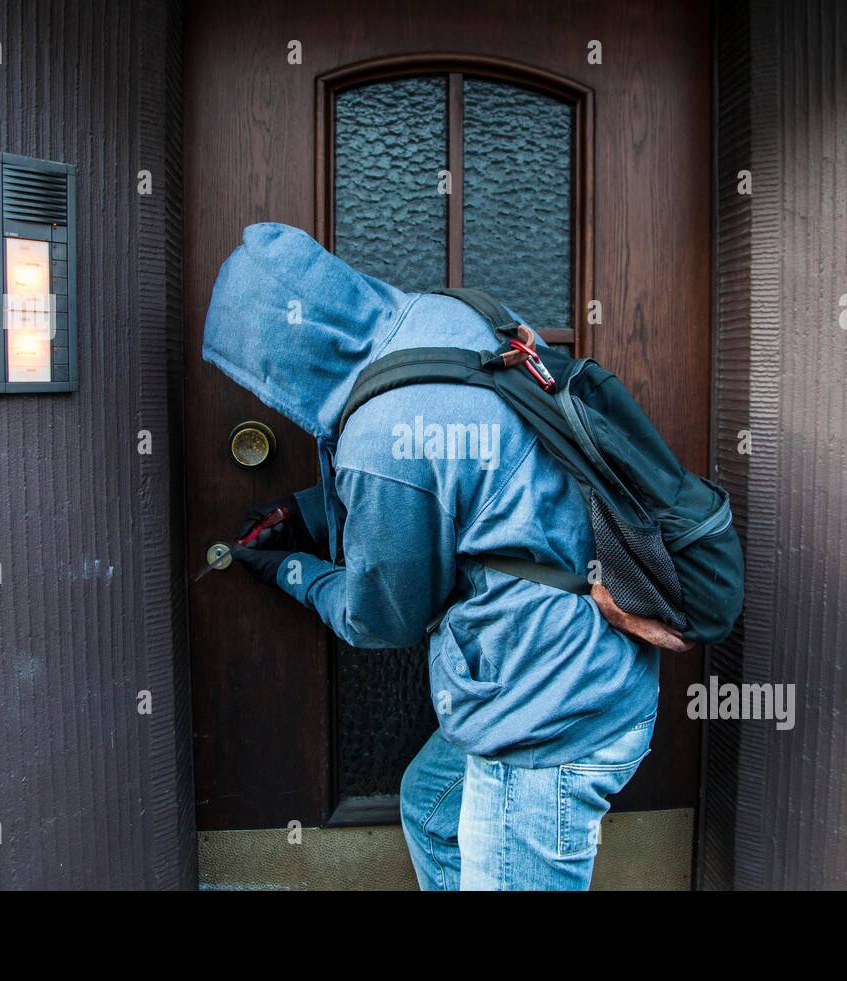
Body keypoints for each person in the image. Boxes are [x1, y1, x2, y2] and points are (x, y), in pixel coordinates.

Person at [204, 222, 684, 890]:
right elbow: (479, 465)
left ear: (286, 354)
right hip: (599, 657)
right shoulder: (460, 315)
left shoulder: (377, 438)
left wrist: (296, 572)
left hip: (544, 712)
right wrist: (309, 509)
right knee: (433, 808)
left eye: (262, 378)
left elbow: (384, 616)